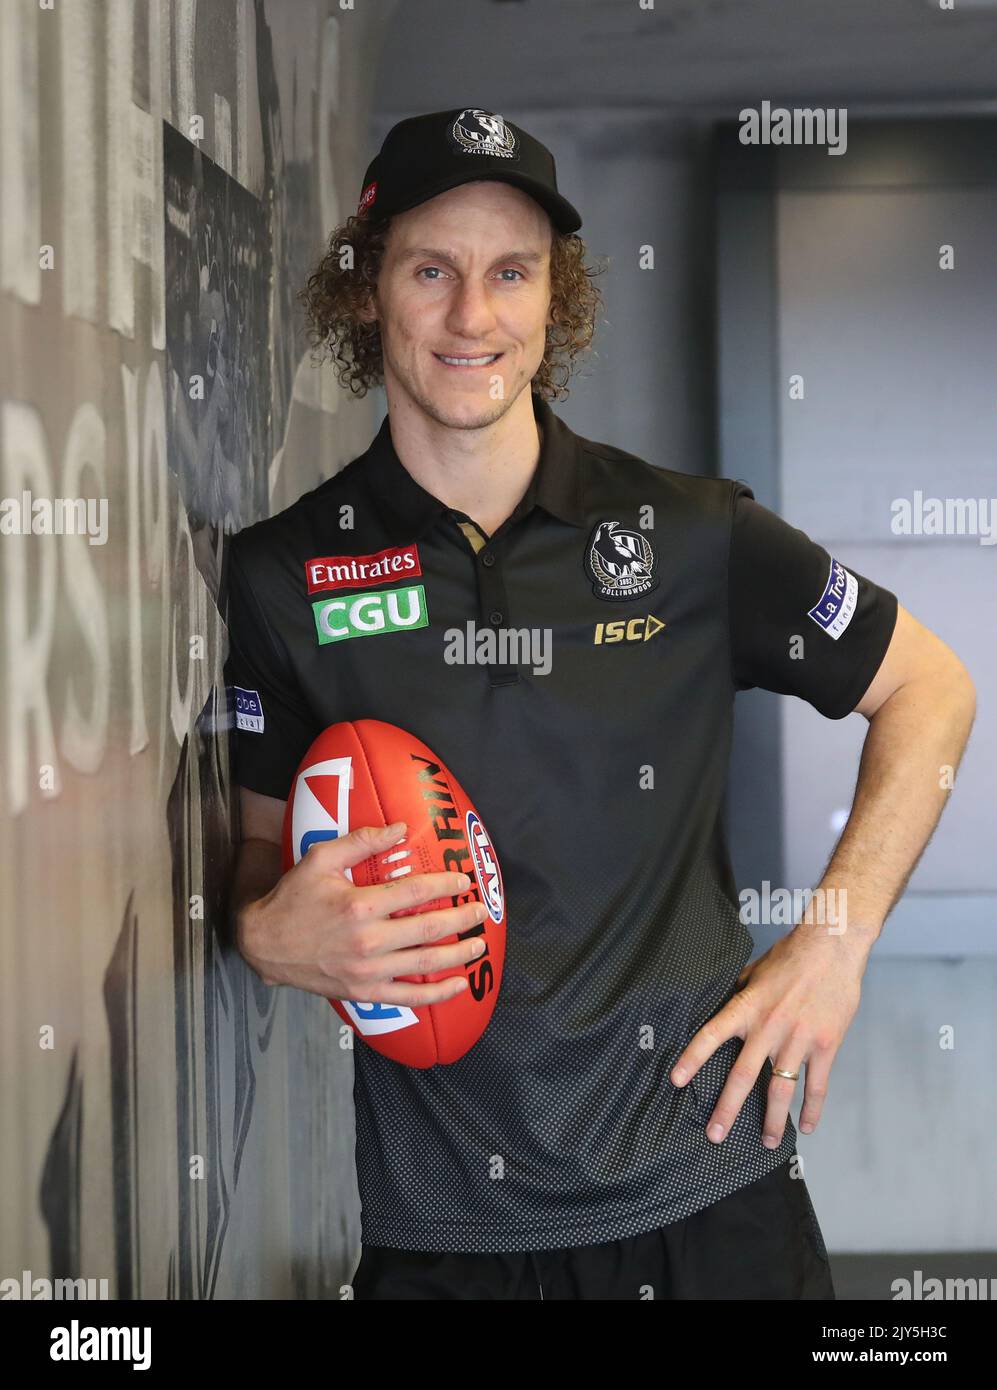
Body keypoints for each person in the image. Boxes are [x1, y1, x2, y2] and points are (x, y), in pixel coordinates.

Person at [223, 108, 976, 1300]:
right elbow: (257, 857)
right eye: (433, 269)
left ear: (552, 297)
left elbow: (929, 685)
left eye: (510, 272)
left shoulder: (688, 533)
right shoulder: (285, 574)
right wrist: (265, 932)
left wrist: (836, 939)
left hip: (712, 1200)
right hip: (447, 1239)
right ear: (368, 291)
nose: (473, 316)